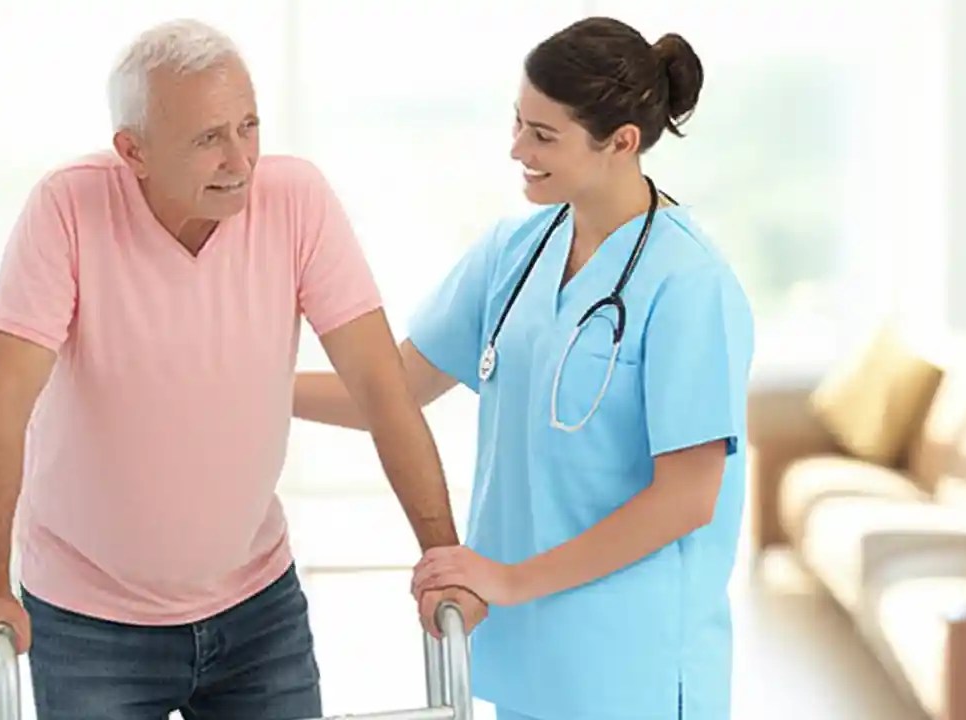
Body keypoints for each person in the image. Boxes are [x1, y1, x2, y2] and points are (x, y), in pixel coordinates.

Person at [0, 18, 485, 720]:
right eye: (209, 139)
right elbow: (2, 408)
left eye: (249, 126)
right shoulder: (68, 209)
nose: (240, 160)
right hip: (90, 619)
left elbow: (382, 391)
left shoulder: (296, 201)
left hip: (257, 608)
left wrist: (442, 556)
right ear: (133, 151)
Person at [294, 16, 754, 720]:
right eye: (517, 122)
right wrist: (246, 389)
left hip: (636, 665)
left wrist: (510, 580)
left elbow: (687, 498)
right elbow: (392, 390)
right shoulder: (514, 252)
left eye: (543, 135)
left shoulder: (689, 283)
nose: (516, 149)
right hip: (534, 659)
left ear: (622, 142)